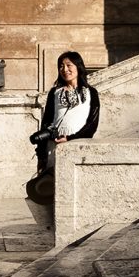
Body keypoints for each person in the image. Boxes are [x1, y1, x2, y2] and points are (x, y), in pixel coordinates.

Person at [30, 51, 100, 195]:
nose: (64, 69)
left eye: (69, 65)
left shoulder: (91, 92)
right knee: (54, 188)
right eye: (61, 66)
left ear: (78, 67)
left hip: (78, 145)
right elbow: (47, 122)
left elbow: (92, 124)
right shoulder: (54, 92)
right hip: (54, 146)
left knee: (77, 188)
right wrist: (41, 154)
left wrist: (70, 138)